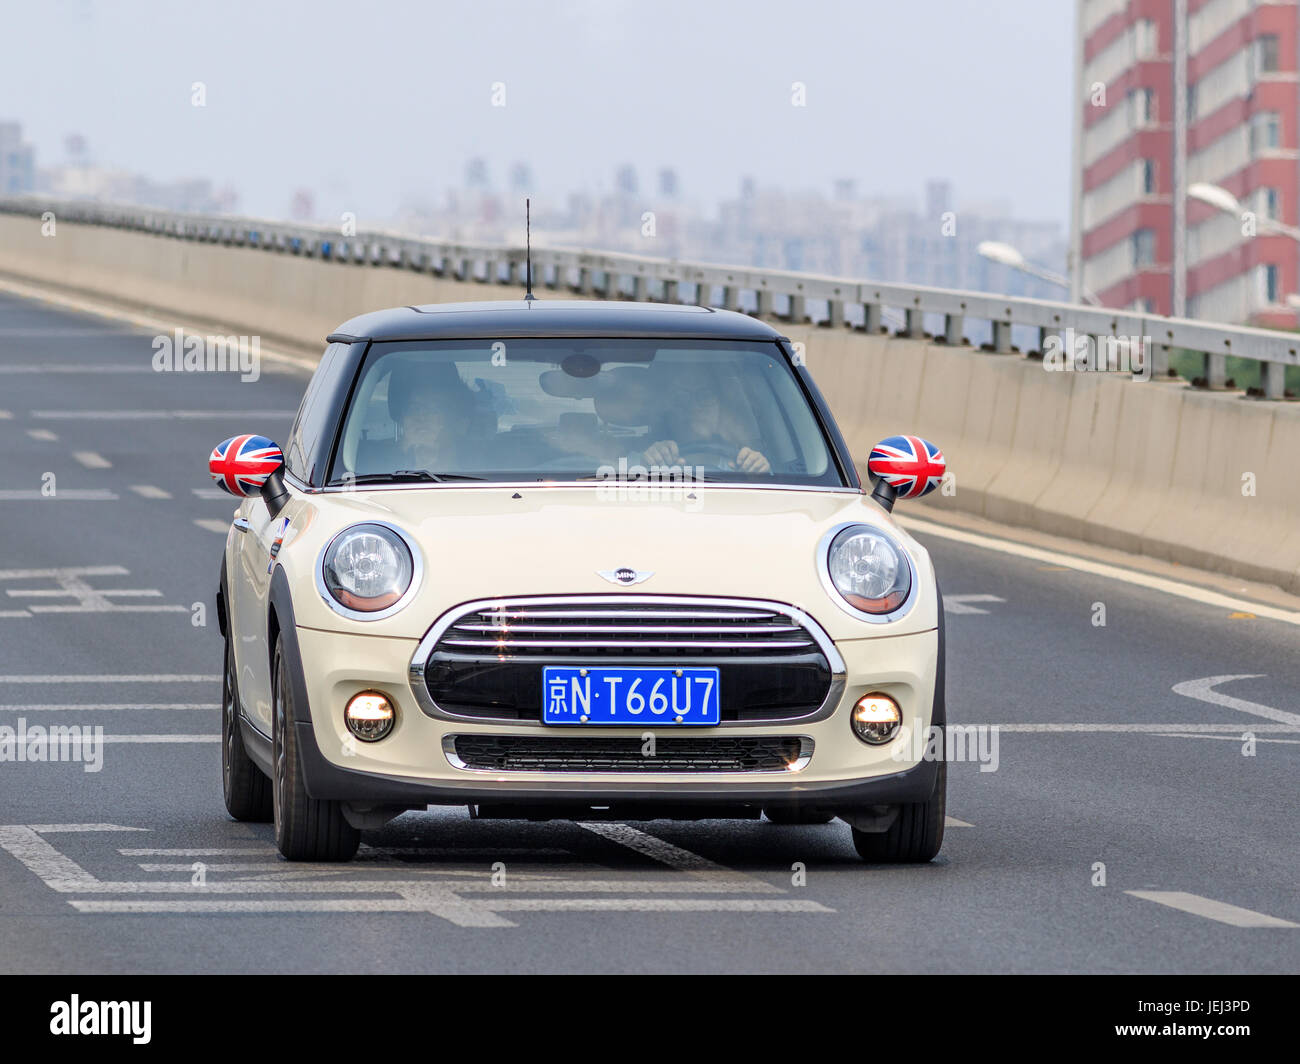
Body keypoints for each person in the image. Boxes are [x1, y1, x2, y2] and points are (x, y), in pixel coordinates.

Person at [643, 369, 771, 474]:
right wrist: (647, 464)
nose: (693, 406)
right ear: (668, 411)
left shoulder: (746, 465)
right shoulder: (639, 461)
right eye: (680, 397)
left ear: (721, 407)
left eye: (705, 395)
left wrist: (758, 474)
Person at [388, 361, 477, 471]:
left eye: (434, 409)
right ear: (403, 420)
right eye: (414, 408)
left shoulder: (488, 473)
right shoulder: (371, 468)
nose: (421, 416)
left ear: (461, 424)